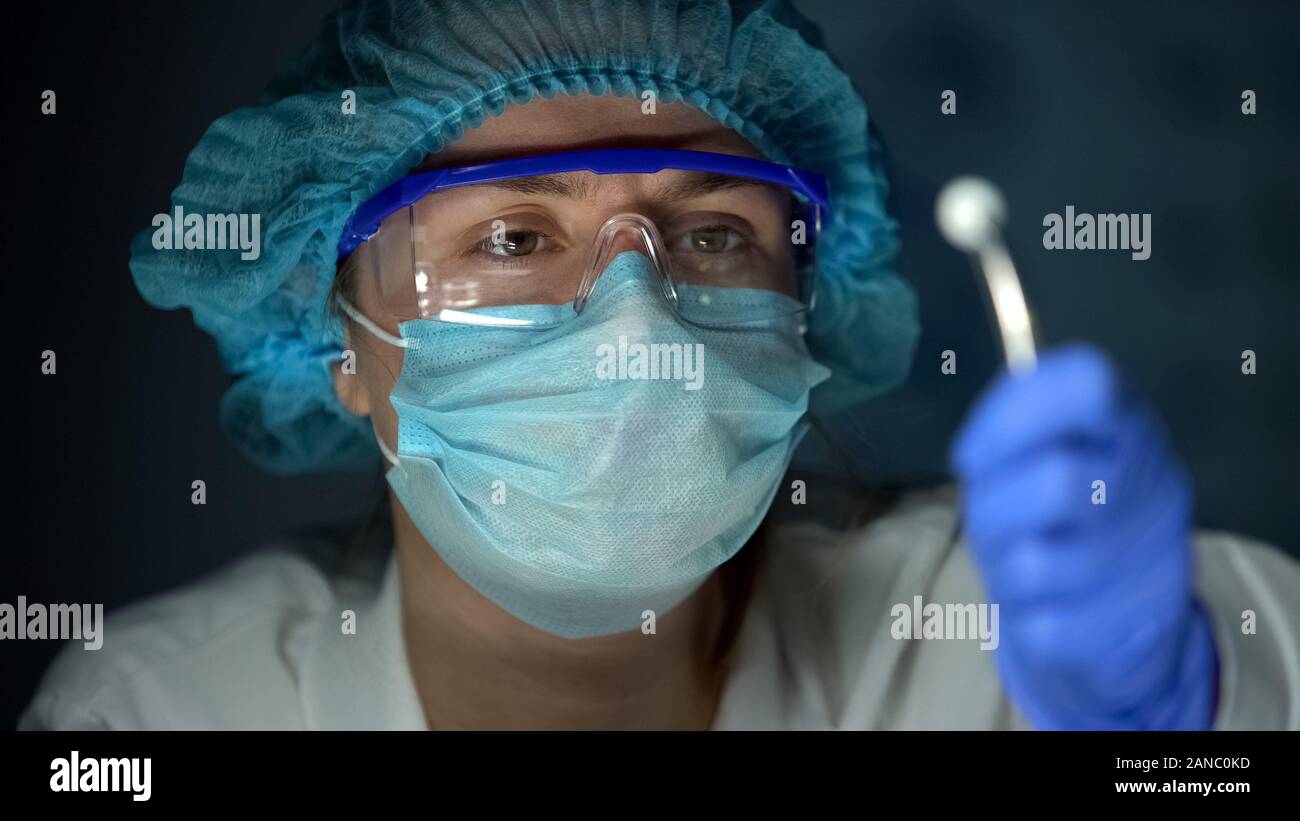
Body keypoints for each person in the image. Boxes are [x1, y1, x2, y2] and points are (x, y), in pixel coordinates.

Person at [21, 0, 1300, 731]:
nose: (639, 318)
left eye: (709, 232)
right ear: (335, 340)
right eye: (516, 235)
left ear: (807, 312)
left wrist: (1172, 711)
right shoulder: (159, 713)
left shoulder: (992, 643)